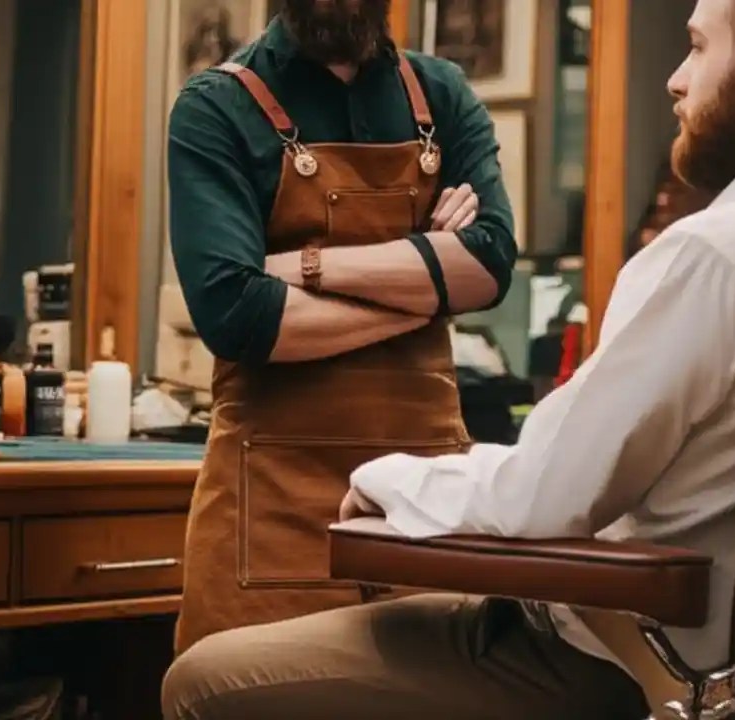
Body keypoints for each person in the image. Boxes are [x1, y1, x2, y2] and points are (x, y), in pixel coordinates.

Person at [162, 0, 735, 718]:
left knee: (200, 682)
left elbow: (546, 499)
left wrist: (388, 481)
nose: (675, 79)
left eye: (697, 46)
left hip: (627, 656)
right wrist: (432, 280)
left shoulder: (720, 254)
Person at [165, 0, 516, 657]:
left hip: (422, 504)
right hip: (270, 512)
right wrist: (428, 288)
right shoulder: (216, 108)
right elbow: (240, 317)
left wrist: (305, 267)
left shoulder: (442, 94)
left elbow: (492, 265)